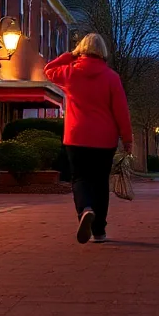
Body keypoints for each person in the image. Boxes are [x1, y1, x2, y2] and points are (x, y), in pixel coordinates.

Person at [43, 33, 133, 244]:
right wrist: (127, 139)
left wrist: (70, 55)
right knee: (101, 182)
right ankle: (99, 231)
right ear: (103, 51)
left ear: (80, 50)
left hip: (76, 137)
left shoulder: (70, 73)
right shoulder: (112, 77)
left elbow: (48, 70)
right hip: (104, 138)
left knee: (80, 178)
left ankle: (85, 209)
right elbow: (121, 111)